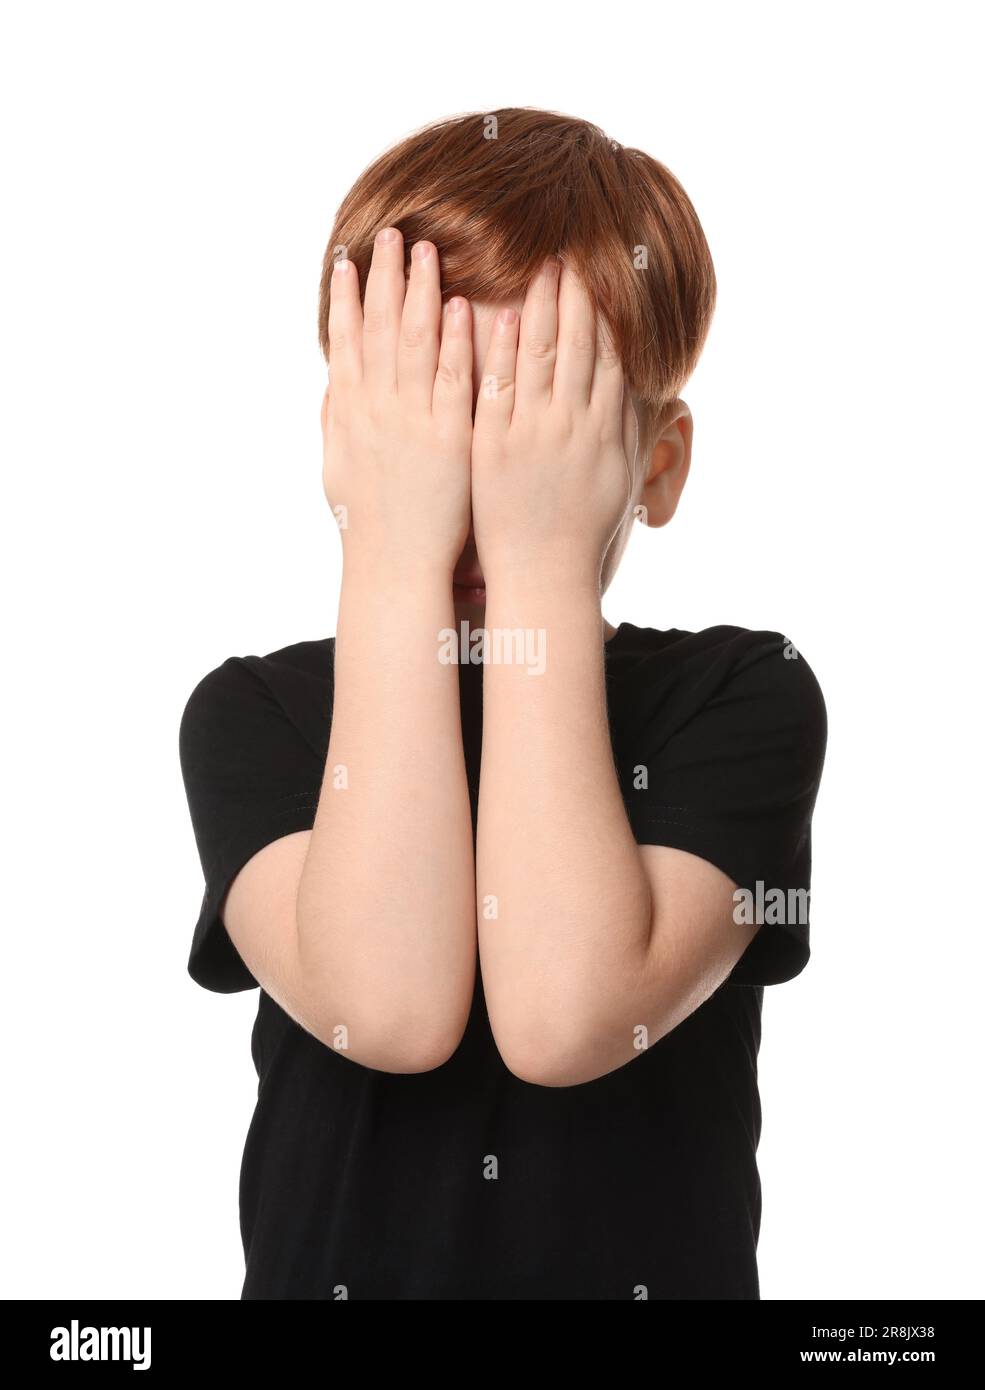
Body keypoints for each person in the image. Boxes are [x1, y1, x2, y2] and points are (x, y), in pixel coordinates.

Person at [179, 107, 827, 1300]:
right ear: (349, 440)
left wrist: (537, 566)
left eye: (538, 420)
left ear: (657, 466)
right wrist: (388, 547)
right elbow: (387, 1006)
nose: (480, 475)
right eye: (430, 419)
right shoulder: (259, 713)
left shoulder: (742, 692)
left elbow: (565, 1014)